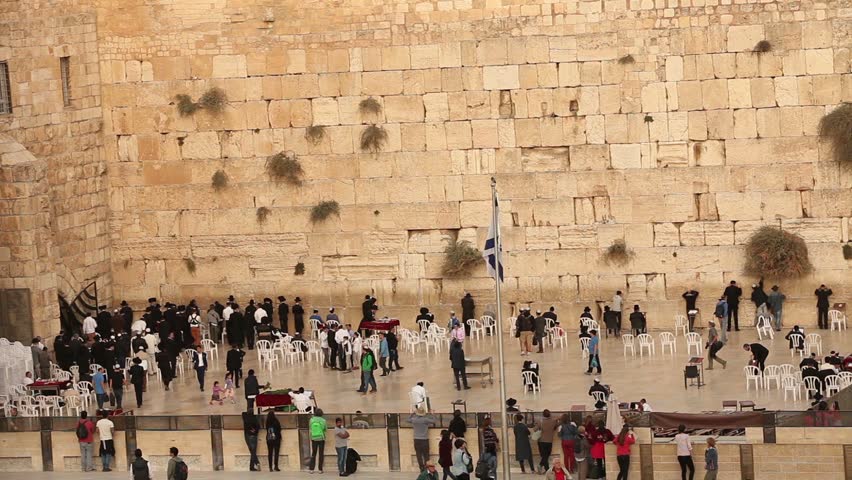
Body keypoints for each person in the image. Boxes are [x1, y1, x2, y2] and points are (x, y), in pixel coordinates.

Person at [410, 405, 437, 471]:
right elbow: (434, 421)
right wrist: (433, 414)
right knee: (426, 455)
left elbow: (407, 420)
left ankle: (421, 468)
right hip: (425, 440)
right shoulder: (425, 420)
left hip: (416, 439)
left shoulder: (414, 420)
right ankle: (427, 468)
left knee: (418, 455)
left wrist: (412, 414)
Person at [537, 409, 559, 473]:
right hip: (549, 441)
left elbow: (535, 429)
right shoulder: (553, 421)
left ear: (543, 414)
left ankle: (541, 465)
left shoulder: (540, 421)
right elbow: (556, 426)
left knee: (544, 455)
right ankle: (547, 469)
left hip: (541, 441)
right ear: (550, 414)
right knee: (546, 455)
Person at [309, 408, 328, 474]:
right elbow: (325, 429)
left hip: (313, 438)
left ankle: (311, 469)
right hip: (321, 438)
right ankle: (320, 469)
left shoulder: (311, 420)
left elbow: (310, 428)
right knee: (321, 454)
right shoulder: (323, 420)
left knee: (313, 454)